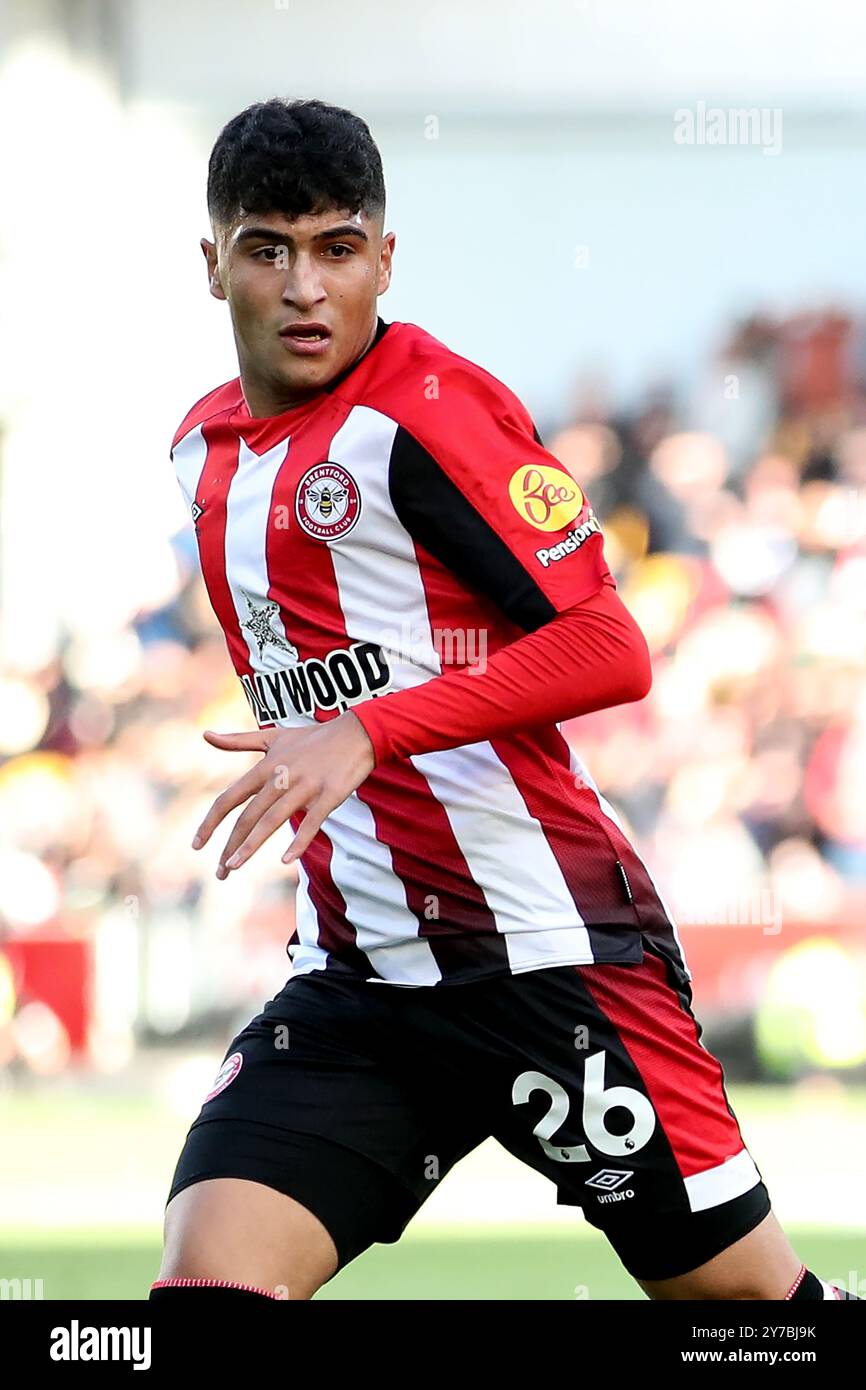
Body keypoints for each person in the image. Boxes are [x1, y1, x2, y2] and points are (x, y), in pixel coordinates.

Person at [150, 98, 856, 1303]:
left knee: (749, 1314)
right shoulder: (201, 456)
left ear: (384, 258)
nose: (306, 286)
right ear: (212, 265)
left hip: (544, 956)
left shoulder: (425, 412)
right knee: (209, 1287)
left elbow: (608, 644)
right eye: (268, 248)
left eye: (336, 247)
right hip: (362, 980)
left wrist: (368, 731)